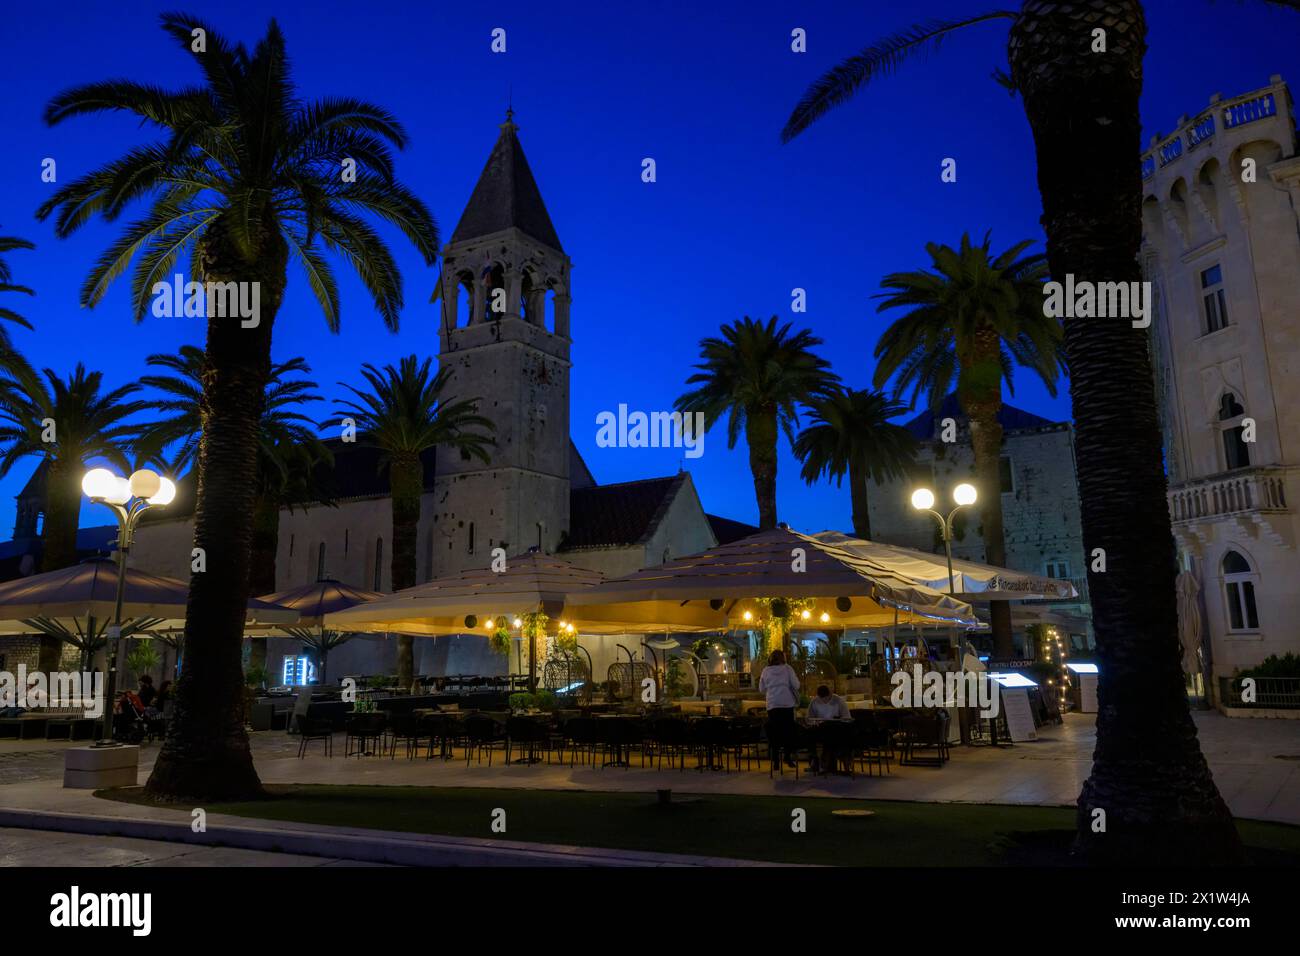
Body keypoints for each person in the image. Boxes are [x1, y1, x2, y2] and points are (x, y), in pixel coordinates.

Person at [759, 649, 801, 770]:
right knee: (788, 730)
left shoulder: (766, 670)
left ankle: (776, 760)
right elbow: (796, 685)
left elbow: (761, 689)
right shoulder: (788, 669)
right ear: (782, 658)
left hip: (772, 704)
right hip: (787, 704)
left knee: (775, 732)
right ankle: (787, 756)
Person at [807, 684, 851, 774]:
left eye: (827, 699)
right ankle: (816, 759)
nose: (825, 701)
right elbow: (808, 718)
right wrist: (815, 722)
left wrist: (839, 720)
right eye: (822, 700)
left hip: (837, 729)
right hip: (821, 729)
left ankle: (824, 763)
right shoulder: (815, 701)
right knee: (809, 734)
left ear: (830, 694)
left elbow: (847, 718)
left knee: (833, 736)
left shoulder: (838, 700)